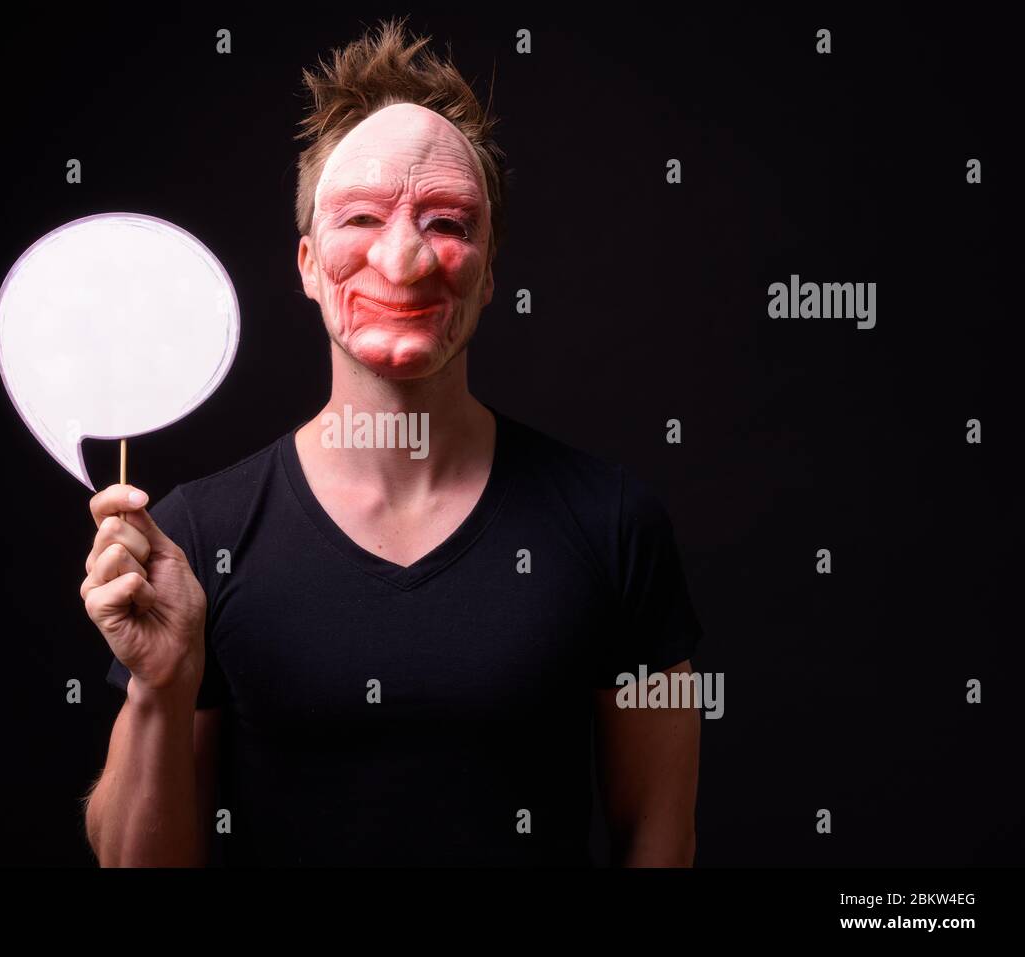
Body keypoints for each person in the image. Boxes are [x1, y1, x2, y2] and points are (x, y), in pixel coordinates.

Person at [81, 17, 704, 867]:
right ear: (307, 264)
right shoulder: (195, 541)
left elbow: (660, 842)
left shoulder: (615, 524)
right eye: (363, 218)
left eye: (447, 222)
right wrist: (161, 684)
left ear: (489, 270)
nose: (404, 260)